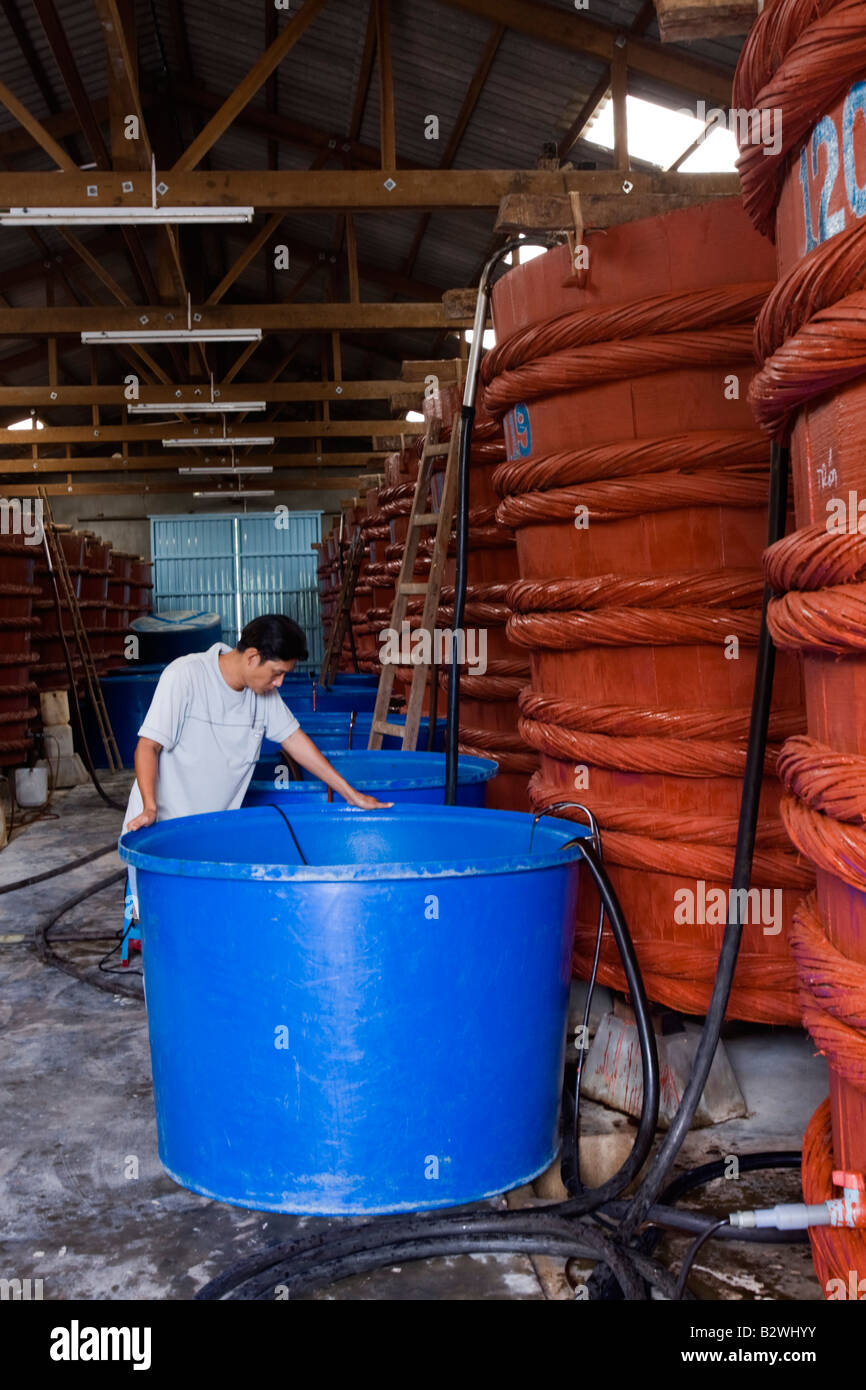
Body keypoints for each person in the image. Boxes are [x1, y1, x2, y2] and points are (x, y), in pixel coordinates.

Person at [123, 612, 392, 834]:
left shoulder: (263, 695)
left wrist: (350, 794)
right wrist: (149, 808)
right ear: (252, 657)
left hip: (209, 834)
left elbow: (295, 741)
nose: (280, 683)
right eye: (277, 673)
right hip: (160, 829)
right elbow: (148, 747)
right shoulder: (186, 676)